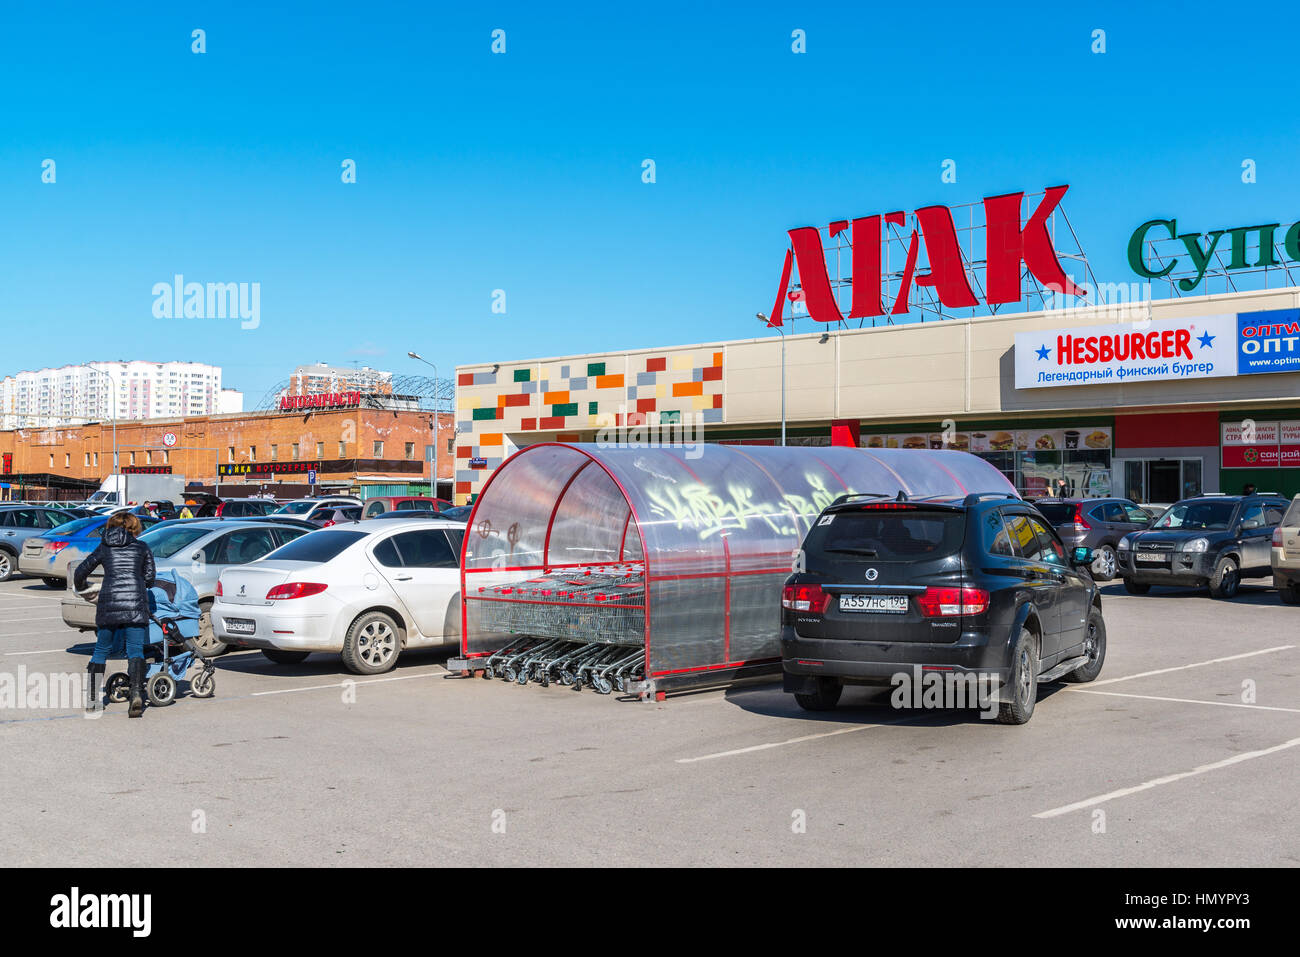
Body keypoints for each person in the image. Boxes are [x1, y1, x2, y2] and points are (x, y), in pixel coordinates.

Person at [73, 512, 156, 718]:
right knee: (136, 650)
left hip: (109, 603)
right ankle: (136, 694)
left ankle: (93, 701)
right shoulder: (141, 547)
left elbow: (80, 572)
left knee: (101, 649)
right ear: (134, 527)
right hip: (135, 604)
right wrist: (137, 583)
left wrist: (83, 587)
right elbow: (150, 578)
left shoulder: (104, 547)